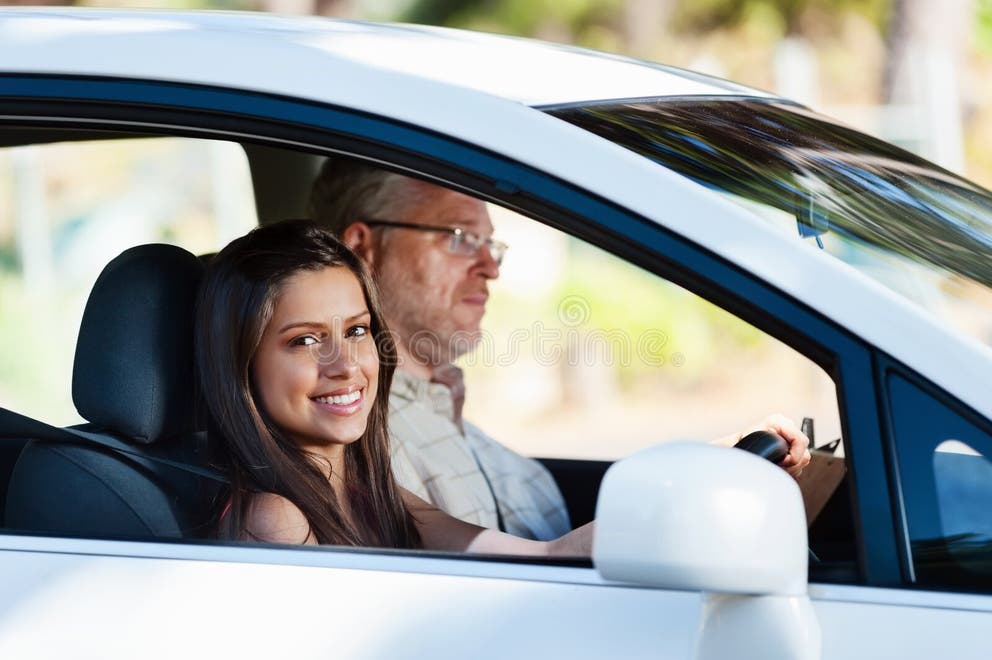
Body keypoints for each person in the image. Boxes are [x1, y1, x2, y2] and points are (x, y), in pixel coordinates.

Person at [308, 159, 811, 540]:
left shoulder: (468, 435)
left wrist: (701, 467)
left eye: (491, 244)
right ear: (362, 248)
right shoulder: (357, 443)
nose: (490, 266)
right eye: (461, 238)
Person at [195, 219, 591, 555]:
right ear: (243, 364)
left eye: (356, 330)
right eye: (306, 340)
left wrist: (567, 549)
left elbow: (516, 553)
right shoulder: (275, 518)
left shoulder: (365, 486)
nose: (346, 364)